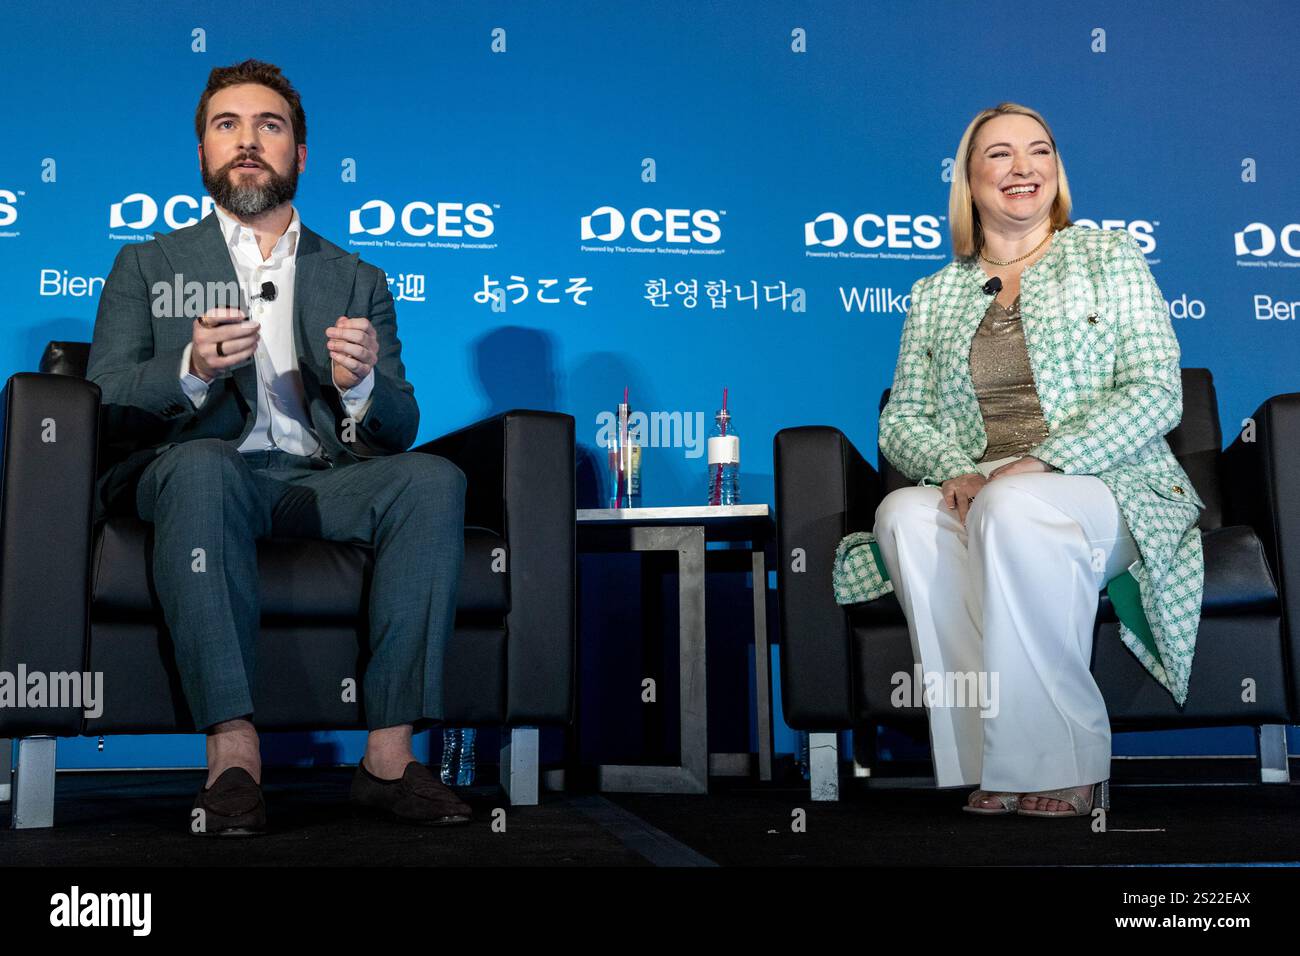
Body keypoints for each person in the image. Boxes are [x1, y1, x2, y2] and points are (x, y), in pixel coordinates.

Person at [87, 59, 472, 834]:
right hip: (195, 470)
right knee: (203, 465)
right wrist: (190, 369)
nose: (248, 141)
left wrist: (362, 387)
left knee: (431, 481)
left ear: (301, 152)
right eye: (227, 125)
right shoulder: (148, 264)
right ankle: (234, 757)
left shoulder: (356, 276)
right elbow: (105, 398)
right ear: (202, 154)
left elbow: (398, 425)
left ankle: (388, 758)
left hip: (318, 478)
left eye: (270, 125)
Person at [872, 103, 1206, 818]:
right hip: (984, 484)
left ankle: (1062, 762)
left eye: (1039, 151)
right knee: (902, 513)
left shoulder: (1106, 256)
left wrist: (1047, 460)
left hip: (1107, 485)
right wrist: (953, 470)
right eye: (999, 154)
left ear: (1056, 171)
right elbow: (902, 416)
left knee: (1015, 504)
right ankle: (985, 759)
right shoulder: (934, 295)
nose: (1022, 168)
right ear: (969, 178)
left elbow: (1156, 392)